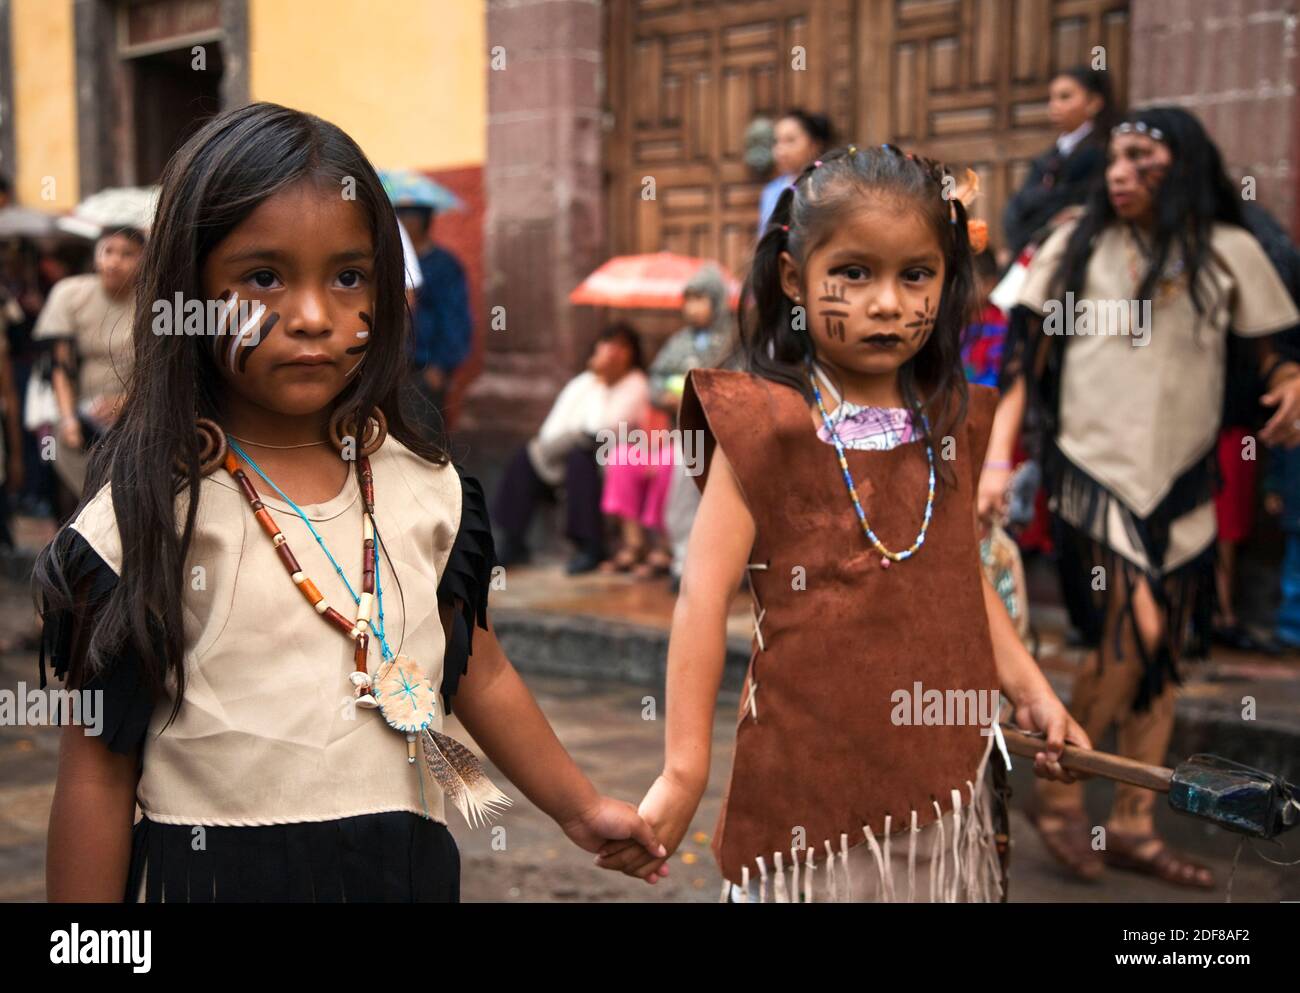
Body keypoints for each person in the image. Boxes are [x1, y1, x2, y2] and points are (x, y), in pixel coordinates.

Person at [35, 103, 663, 903]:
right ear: (187, 292)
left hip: (399, 874)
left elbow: (481, 670)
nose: (312, 316)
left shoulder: (425, 486)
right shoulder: (148, 516)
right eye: (263, 278)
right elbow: (95, 767)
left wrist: (578, 807)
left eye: (348, 276)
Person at [596, 144, 1088, 901]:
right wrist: (684, 769)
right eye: (854, 273)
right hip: (809, 788)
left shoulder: (950, 419)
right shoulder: (766, 424)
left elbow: (959, 573)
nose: (887, 302)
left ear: (947, 280)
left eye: (915, 275)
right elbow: (700, 597)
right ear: (796, 279)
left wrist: (1032, 690)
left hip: (939, 788)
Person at [984, 107, 1300, 888]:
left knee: (1165, 655)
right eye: (1114, 157)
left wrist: (1292, 380)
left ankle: (1127, 822)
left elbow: (1275, 354)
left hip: (1186, 477)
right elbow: (1021, 365)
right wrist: (997, 458)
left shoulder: (1231, 251)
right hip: (1090, 468)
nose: (1118, 172)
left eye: (1139, 157)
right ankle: (1060, 794)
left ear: (1185, 164)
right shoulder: (1071, 244)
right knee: (1143, 624)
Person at [491, 322, 649, 575]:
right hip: (561, 455)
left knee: (580, 458)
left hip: (606, 460)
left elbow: (601, 428)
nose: (613, 351)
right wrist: (596, 381)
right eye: (609, 343)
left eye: (622, 346)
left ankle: (590, 546)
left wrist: (603, 384)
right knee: (525, 457)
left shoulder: (636, 384)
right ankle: (513, 540)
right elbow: (551, 431)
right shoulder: (584, 381)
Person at [32, 226, 144, 506]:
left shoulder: (153, 301)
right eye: (108, 251)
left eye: (127, 254)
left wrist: (126, 402)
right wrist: (69, 418)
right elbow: (60, 364)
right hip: (83, 412)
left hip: (138, 415)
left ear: (145, 260)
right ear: (96, 256)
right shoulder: (70, 294)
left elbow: (165, 367)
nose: (115, 261)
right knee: (74, 473)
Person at [652, 265, 735, 587]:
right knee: (682, 501)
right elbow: (656, 377)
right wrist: (665, 394)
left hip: (728, 436)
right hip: (689, 436)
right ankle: (683, 565)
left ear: (716, 300)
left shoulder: (735, 338)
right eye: (689, 299)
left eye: (700, 298)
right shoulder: (678, 342)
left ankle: (732, 571)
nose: (693, 306)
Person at [1002, 67, 1118, 261]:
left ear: (1094, 103)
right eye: (1052, 98)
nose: (1054, 106)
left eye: (1065, 97)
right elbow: (1017, 206)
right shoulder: (1049, 157)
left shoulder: (1102, 151)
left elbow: (1068, 202)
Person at [396, 204, 471, 437]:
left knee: (425, 434)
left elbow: (454, 316)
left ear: (422, 221)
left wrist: (441, 364)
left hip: (425, 366)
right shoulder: (393, 260)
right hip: (396, 364)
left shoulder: (443, 265)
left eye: (408, 216)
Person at [757, 109, 834, 233]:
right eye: (776, 141)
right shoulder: (771, 191)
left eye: (790, 140)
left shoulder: (830, 188)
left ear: (814, 145)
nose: (780, 150)